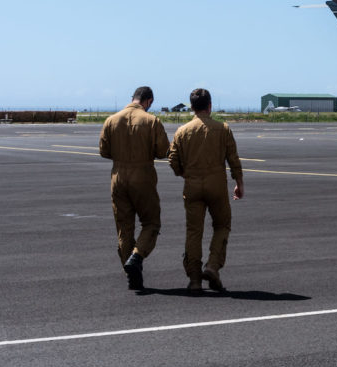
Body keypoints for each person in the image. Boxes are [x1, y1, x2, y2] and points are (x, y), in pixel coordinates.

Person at [168, 88, 244, 293]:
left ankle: (194, 279)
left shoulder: (182, 131)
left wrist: (184, 173)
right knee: (222, 225)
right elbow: (233, 158)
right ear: (210, 106)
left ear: (192, 107)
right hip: (216, 185)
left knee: (194, 232)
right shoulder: (223, 128)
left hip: (192, 185)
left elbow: (173, 160)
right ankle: (212, 265)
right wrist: (239, 182)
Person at [99, 86, 169, 290]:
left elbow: (104, 151)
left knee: (124, 228)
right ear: (148, 101)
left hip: (118, 177)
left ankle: (131, 274)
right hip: (143, 177)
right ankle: (136, 258)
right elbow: (163, 150)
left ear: (133, 98)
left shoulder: (111, 120)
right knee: (151, 223)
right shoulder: (151, 121)